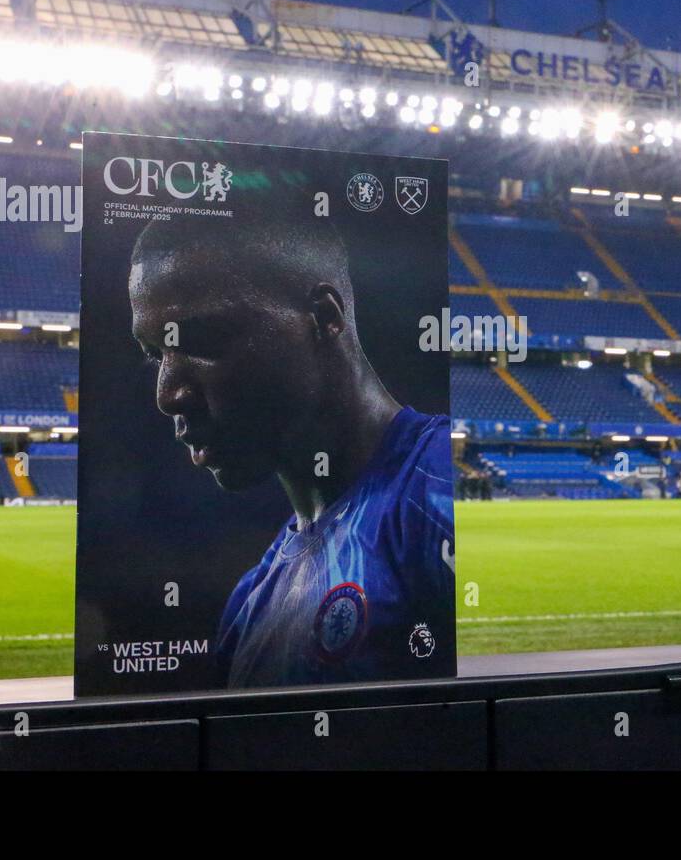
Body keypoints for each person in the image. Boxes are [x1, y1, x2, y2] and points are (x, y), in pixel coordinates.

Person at [128, 209, 454, 689]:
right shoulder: (249, 601)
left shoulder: (438, 490)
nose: (168, 393)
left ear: (324, 318)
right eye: (156, 354)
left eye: (202, 339)